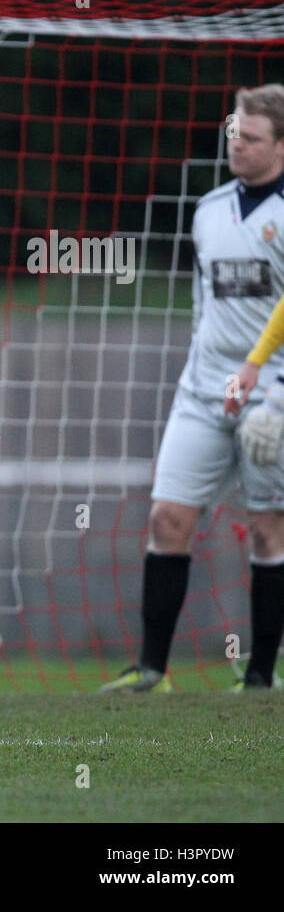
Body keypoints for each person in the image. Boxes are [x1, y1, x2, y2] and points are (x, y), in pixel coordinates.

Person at [103, 83, 284, 694]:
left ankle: (260, 677)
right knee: (167, 518)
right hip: (205, 390)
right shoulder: (208, 210)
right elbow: (207, 306)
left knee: (267, 530)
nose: (237, 146)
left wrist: (274, 391)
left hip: (274, 393)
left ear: (280, 144)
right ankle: (153, 670)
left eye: (252, 138)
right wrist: (208, 373)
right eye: (232, 134)